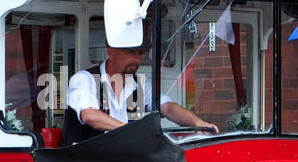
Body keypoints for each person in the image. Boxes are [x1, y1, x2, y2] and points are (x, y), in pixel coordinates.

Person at [64, 42, 218, 144]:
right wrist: (131, 131)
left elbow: (166, 106)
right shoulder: (85, 79)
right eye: (131, 53)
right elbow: (90, 115)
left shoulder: (139, 85)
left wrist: (197, 123)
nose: (137, 60)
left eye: (140, 54)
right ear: (111, 52)